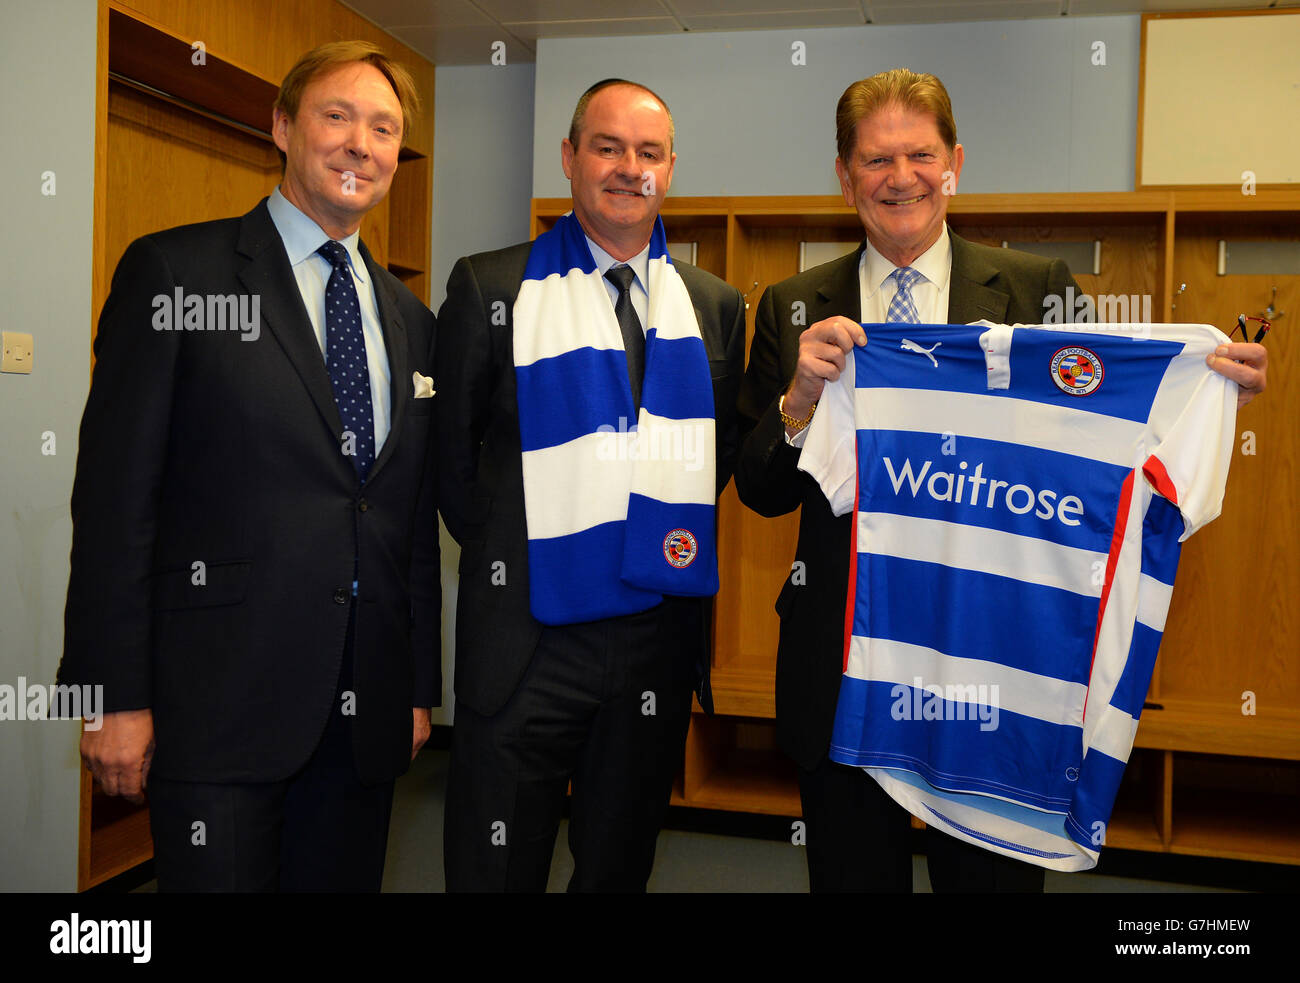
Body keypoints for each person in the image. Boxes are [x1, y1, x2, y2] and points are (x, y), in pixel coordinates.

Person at [734, 68, 1268, 893]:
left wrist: (1199, 383)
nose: (900, 177)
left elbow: (1103, 445)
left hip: (998, 654)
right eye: (876, 160)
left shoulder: (1036, 288)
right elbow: (760, 489)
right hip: (844, 661)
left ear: (955, 163)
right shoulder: (795, 307)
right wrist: (798, 400)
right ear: (845, 176)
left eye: (920, 154)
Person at [57, 40, 440, 892]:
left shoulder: (413, 320)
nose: (360, 144)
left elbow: (402, 521)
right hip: (215, 709)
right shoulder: (176, 272)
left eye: (383, 129)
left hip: (362, 712)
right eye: (336, 116)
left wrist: (416, 687)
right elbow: (116, 504)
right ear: (281, 126)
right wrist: (107, 694)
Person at [437, 78, 745, 892]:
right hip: (526, 640)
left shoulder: (715, 308)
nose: (628, 168)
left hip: (654, 641)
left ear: (670, 169)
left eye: (648, 153)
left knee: (617, 867)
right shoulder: (489, 288)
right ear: (570, 158)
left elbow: (715, 464)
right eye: (608, 147)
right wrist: (526, 545)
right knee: (494, 868)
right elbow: (452, 468)